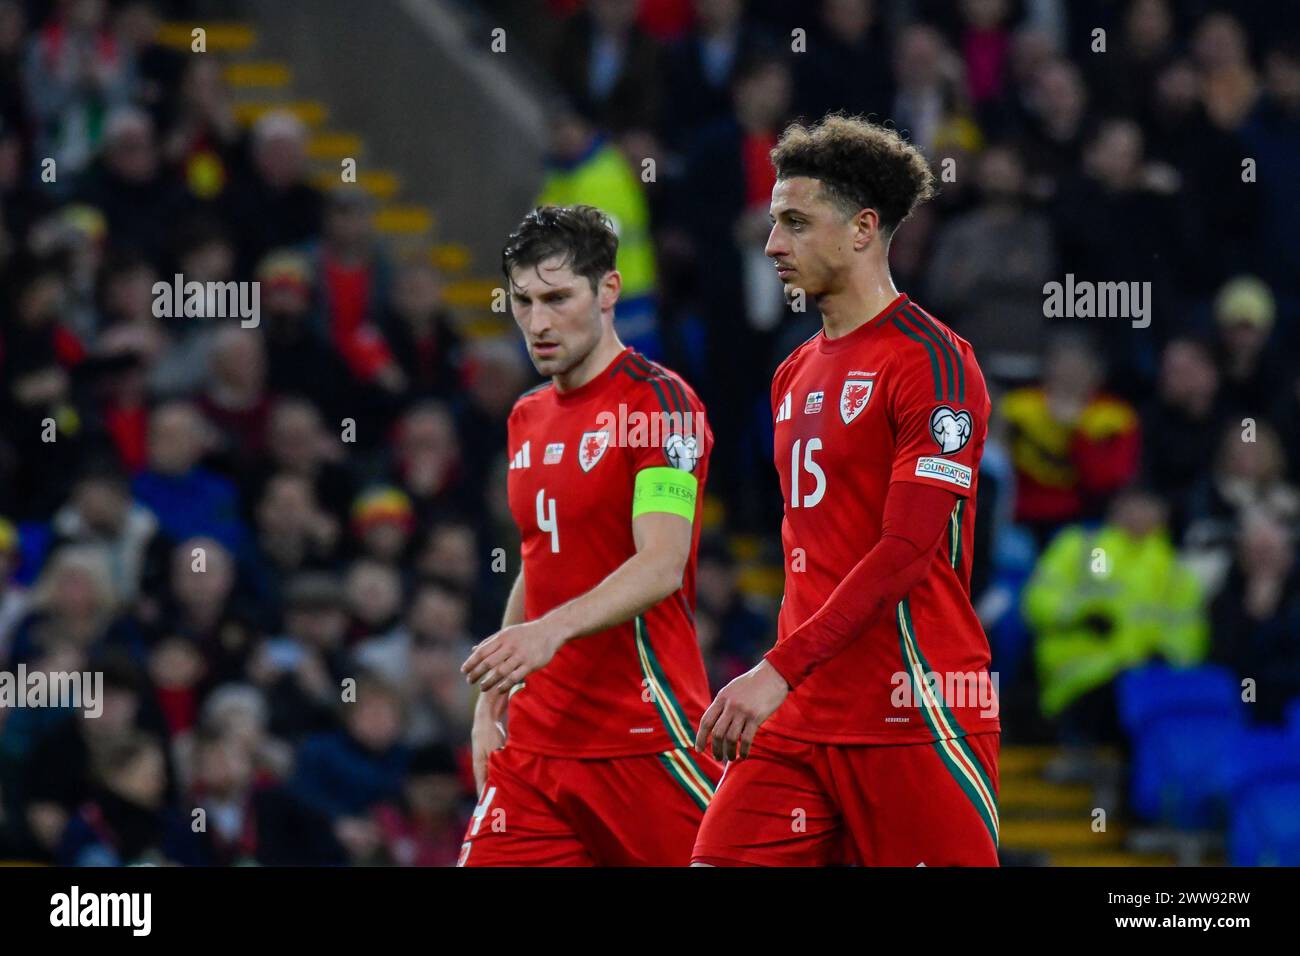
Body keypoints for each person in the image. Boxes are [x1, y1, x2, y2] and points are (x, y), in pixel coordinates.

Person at [691, 115, 1000, 867]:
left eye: (795, 223)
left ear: (864, 229)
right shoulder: (793, 372)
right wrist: (790, 674)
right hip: (801, 716)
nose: (772, 246)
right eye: (773, 223)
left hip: (915, 708)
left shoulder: (933, 363)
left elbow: (903, 554)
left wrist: (776, 667)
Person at [457, 205, 720, 866]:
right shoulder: (526, 416)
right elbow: (541, 558)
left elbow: (660, 563)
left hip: (641, 733)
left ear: (607, 291)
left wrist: (549, 632)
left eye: (557, 298)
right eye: (522, 302)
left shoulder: (661, 407)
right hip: (538, 749)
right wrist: (493, 697)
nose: (538, 324)